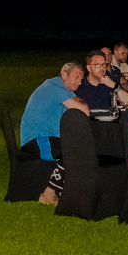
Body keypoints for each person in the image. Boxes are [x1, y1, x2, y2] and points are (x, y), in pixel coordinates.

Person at [18, 62, 89, 205]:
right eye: (76, 77)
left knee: (75, 147)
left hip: (44, 137)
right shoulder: (56, 88)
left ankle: (64, 191)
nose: (79, 82)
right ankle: (48, 194)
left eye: (81, 79)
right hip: (38, 140)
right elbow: (84, 112)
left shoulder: (58, 88)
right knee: (72, 151)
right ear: (64, 74)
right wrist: (83, 104)